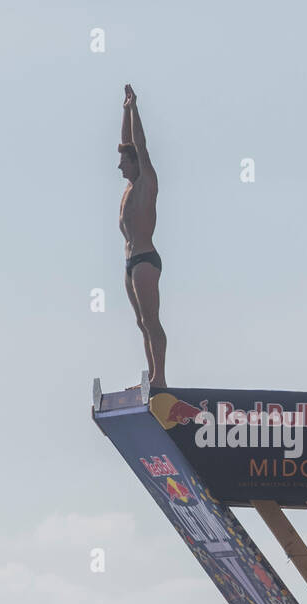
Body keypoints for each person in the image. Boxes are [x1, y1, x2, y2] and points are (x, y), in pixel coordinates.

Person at [118, 84, 167, 389]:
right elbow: (125, 143)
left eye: (124, 161)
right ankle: (151, 377)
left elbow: (138, 144)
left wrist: (135, 109)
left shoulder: (146, 179)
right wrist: (123, 110)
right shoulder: (128, 188)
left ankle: (159, 378)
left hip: (146, 260)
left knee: (152, 321)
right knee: (141, 323)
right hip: (130, 262)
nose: (119, 165)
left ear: (135, 163)